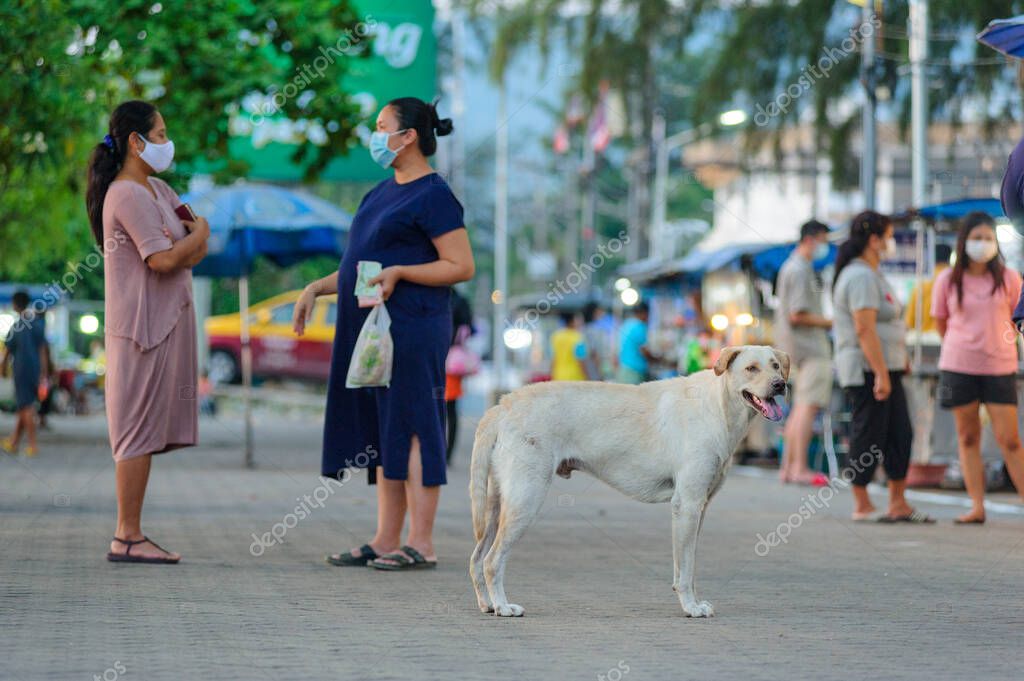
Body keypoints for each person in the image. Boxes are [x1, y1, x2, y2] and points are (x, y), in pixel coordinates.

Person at [295, 97, 473, 571]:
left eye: (381, 126)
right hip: (370, 328)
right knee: (383, 429)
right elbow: (360, 270)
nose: (374, 135)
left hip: (412, 327)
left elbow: (461, 265)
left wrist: (402, 273)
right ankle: (385, 537)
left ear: (408, 135)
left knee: (415, 427)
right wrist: (316, 287)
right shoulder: (379, 193)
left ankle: (422, 542)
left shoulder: (433, 194)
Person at [86, 100, 210, 563]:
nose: (166, 142)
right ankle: (127, 536)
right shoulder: (127, 194)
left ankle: (131, 533)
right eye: (159, 134)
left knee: (146, 430)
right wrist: (197, 236)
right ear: (135, 142)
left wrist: (194, 239)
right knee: (134, 432)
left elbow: (190, 241)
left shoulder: (156, 187)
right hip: (140, 328)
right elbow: (164, 257)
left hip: (166, 322)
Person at [833, 210, 934, 524]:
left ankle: (897, 501)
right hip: (867, 369)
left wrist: (896, 360)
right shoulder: (860, 276)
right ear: (874, 240)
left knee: (898, 433)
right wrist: (879, 372)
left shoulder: (872, 273)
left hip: (886, 367)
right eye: (888, 237)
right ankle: (861, 502)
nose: (891, 243)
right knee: (869, 433)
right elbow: (865, 329)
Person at [933, 212, 1024, 524]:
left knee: (1010, 439)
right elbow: (941, 322)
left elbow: (1017, 317)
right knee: (968, 437)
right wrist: (963, 346)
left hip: (1000, 367)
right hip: (959, 366)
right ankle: (976, 506)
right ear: (964, 241)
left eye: (988, 238)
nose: (982, 244)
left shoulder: (1010, 277)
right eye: (977, 237)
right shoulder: (947, 279)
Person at [775, 220, 832, 486]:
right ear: (811, 239)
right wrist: (831, 322)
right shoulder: (799, 269)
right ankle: (799, 468)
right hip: (809, 349)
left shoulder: (794, 267)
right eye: (824, 239)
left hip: (797, 350)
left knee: (799, 409)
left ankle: (788, 467)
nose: (825, 246)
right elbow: (798, 315)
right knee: (806, 409)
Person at [1, 291, 48, 457]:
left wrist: (2, 370)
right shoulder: (36, 323)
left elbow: (7, 351)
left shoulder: (17, 326)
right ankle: (13, 442)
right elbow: (43, 349)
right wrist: (44, 371)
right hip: (35, 370)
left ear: (14, 304)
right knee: (24, 404)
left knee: (26, 406)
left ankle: (33, 445)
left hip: (21, 369)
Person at [445, 288, 475, 465]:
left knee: (437, 409)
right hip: (453, 364)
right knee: (451, 410)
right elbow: (470, 329)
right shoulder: (461, 300)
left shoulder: (434, 294)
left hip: (437, 359)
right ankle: (448, 455)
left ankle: (440, 451)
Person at [905, 243, 952, 335]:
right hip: (950, 338)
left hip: (925, 342)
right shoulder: (956, 282)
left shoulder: (921, 284)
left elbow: (909, 322)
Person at [617, 301, 657, 384]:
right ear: (644, 313)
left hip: (623, 370)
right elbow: (644, 351)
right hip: (634, 373)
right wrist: (656, 360)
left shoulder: (626, 324)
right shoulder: (639, 326)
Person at [550, 311, 587, 381]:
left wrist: (551, 374)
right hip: (575, 376)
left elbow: (553, 358)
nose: (580, 322)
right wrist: (586, 375)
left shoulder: (556, 336)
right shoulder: (578, 337)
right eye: (577, 319)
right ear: (572, 321)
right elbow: (580, 360)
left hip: (558, 375)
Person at [580, 301, 608, 380]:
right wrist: (600, 372)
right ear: (594, 312)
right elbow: (594, 353)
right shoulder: (593, 330)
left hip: (587, 370)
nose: (602, 312)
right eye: (600, 310)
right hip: (594, 370)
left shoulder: (583, 328)